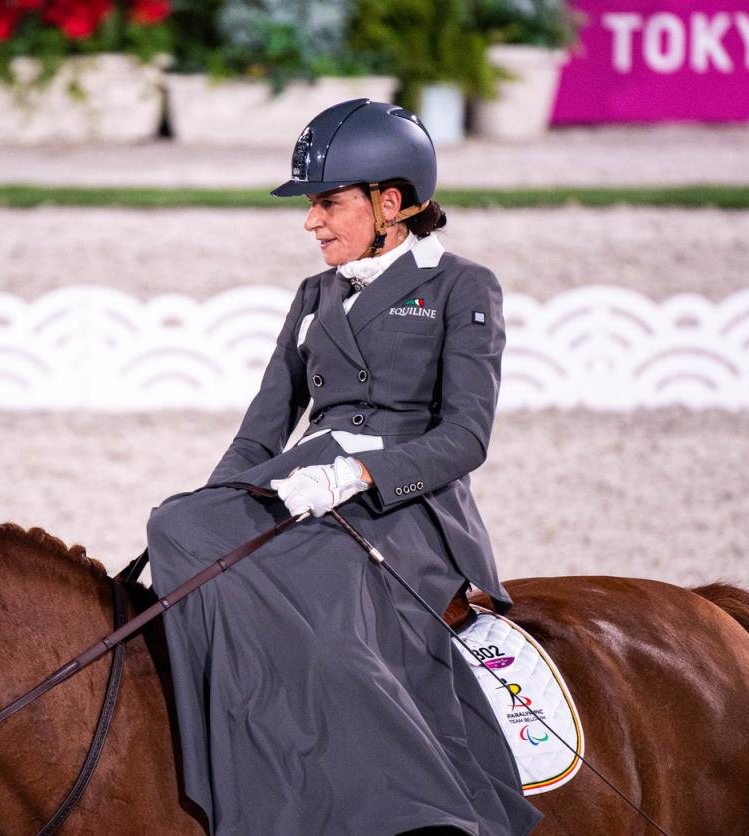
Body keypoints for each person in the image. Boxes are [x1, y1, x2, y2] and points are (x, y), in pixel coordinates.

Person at [144, 99, 542, 836]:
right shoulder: (313, 295)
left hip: (405, 508)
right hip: (306, 482)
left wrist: (359, 478)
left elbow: (466, 437)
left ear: (390, 202)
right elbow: (262, 430)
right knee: (175, 523)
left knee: (321, 600)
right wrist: (215, 503)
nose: (310, 221)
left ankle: (430, 812)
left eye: (327, 202)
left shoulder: (462, 286)